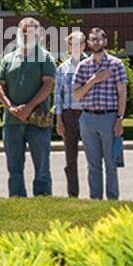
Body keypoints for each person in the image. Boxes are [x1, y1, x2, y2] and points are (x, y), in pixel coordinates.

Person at [0, 17, 55, 197]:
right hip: (12, 121)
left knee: (42, 166)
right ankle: (16, 198)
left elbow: (48, 85)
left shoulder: (45, 57)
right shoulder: (8, 58)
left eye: (31, 31)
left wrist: (28, 108)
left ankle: (43, 198)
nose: (27, 34)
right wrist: (10, 106)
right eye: (23, 31)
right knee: (14, 167)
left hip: (37, 120)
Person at [73, 27, 128, 200]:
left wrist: (120, 118)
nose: (96, 42)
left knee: (111, 163)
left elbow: (122, 93)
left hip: (109, 118)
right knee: (93, 164)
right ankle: (95, 200)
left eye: (99, 39)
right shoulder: (83, 66)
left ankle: (112, 200)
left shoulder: (116, 64)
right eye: (92, 40)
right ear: (88, 43)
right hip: (87, 118)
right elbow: (77, 94)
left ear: (105, 42)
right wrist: (93, 80)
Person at [54, 29, 89, 198]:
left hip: (88, 114)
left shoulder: (92, 65)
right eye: (71, 44)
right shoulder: (62, 68)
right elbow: (58, 96)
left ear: (84, 45)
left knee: (93, 156)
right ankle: (73, 194)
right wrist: (59, 120)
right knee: (70, 158)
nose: (75, 47)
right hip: (69, 116)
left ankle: (95, 194)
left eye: (78, 44)